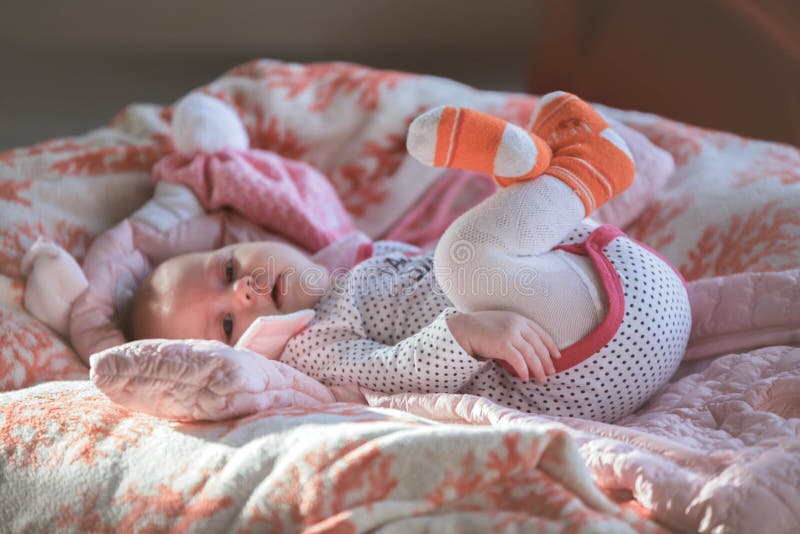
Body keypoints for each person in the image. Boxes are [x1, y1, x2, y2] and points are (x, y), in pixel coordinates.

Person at [128, 92, 691, 423]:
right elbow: (388, 373)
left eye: (227, 269)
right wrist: (466, 335)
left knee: (484, 249)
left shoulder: (350, 263)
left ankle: (546, 179)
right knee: (461, 257)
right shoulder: (311, 346)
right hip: (575, 366)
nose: (243, 291)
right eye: (228, 322)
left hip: (644, 291)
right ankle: (584, 168)